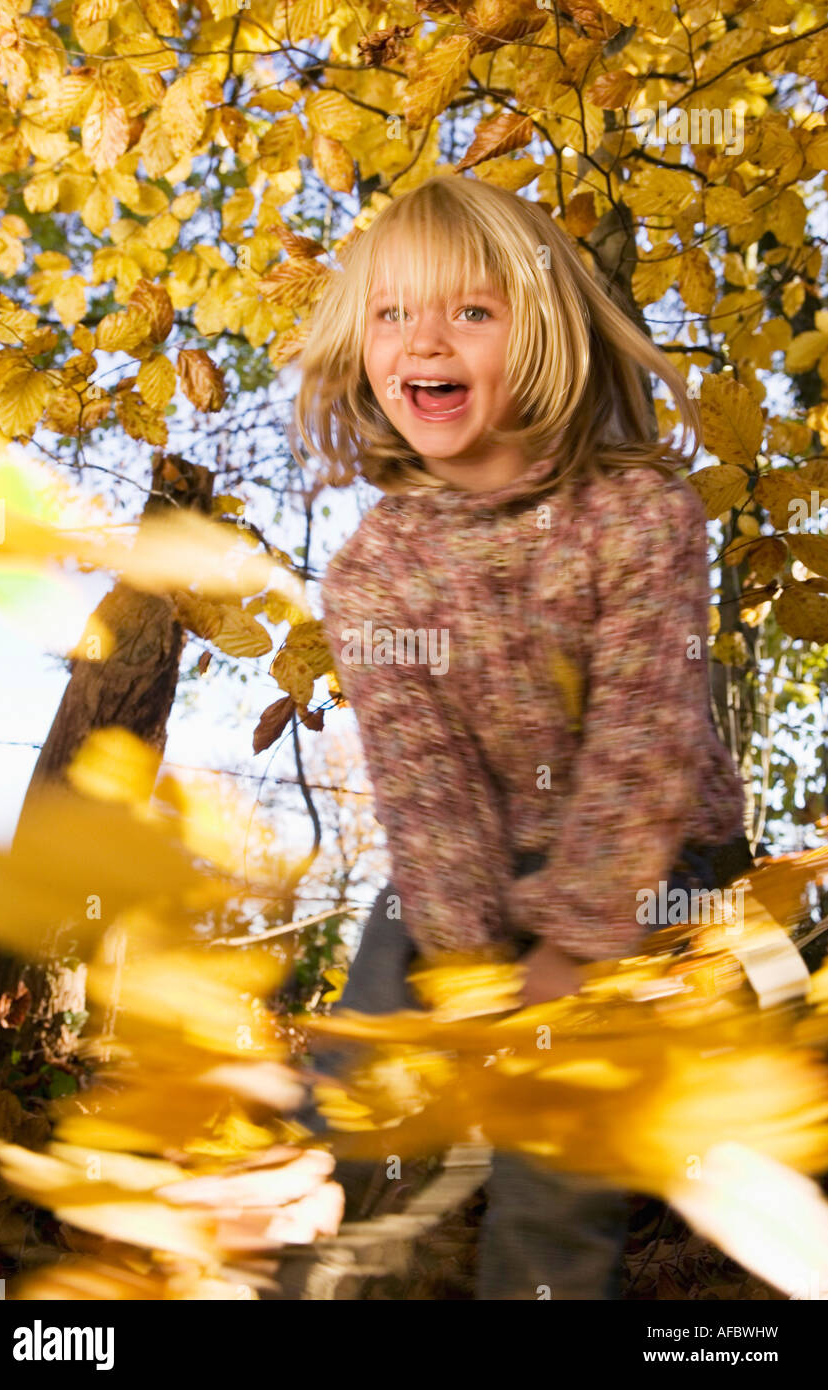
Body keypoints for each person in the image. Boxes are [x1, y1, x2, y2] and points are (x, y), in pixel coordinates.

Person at [289, 174, 751, 1300]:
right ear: (360, 348)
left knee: (555, 1140)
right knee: (352, 1078)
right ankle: (278, 1256)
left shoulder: (642, 514)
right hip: (472, 864)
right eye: (392, 313)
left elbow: (645, 746)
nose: (423, 340)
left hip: (653, 861)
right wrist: (463, 973)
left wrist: (570, 955)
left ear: (539, 334)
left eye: (471, 312)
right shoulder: (371, 576)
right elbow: (424, 792)